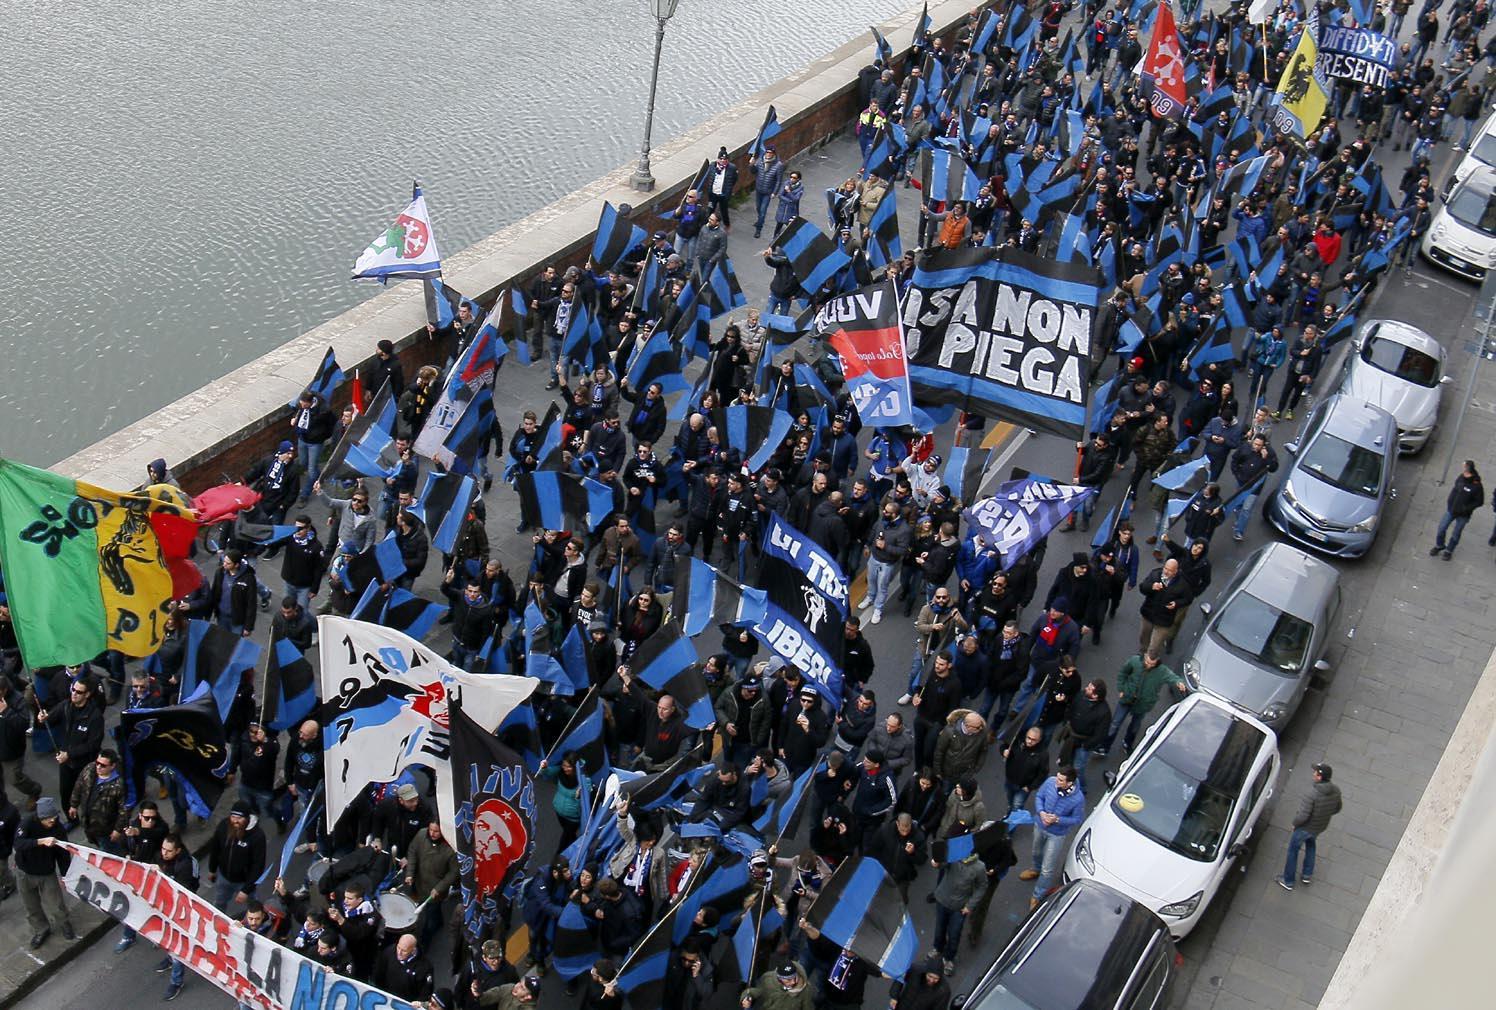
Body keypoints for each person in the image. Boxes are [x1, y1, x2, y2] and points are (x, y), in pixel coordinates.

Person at [1018, 766, 1085, 908]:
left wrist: (1057, 820)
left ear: (1070, 783)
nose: (1056, 781)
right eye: (1057, 777)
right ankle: (1035, 870)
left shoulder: (1078, 799)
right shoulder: (1050, 782)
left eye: (1060, 780)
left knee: (1048, 868)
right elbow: (1039, 797)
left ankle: (1038, 895)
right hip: (1040, 825)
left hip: (1057, 834)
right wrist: (1041, 812)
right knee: (1036, 852)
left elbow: (1077, 819)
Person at [1101, 651, 1187, 756]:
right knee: (1115, 723)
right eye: (1147, 662)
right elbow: (1123, 673)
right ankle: (1104, 746)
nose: (1149, 665)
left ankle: (1127, 743)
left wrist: (1179, 682)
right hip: (1127, 697)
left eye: (1152, 664)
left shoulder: (1162, 671)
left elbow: (1172, 677)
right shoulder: (1135, 661)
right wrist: (1121, 689)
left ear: (1157, 661)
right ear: (1145, 656)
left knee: (1135, 726)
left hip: (1143, 704)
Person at [14, 797, 73, 948]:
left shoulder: (58, 829)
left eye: (54, 818)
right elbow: (19, 844)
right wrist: (40, 841)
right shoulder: (27, 823)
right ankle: (41, 929)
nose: (52, 822)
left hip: (47, 872)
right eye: (48, 819)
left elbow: (63, 854)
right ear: (40, 817)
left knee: (56, 904)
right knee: (31, 906)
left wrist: (66, 875)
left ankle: (64, 923)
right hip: (25, 872)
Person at [930, 829, 986, 975]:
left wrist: (970, 906)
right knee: (939, 928)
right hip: (943, 899)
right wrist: (936, 864)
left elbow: (982, 887)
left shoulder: (979, 867)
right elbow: (942, 864)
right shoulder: (953, 857)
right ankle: (937, 948)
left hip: (960, 907)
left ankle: (949, 958)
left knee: (954, 934)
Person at [1280, 763, 1343, 891]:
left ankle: (1288, 881)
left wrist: (1294, 824)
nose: (1313, 774)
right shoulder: (1336, 790)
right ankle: (1306, 875)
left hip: (1305, 828)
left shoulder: (1312, 794)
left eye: (1315, 772)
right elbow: (1337, 808)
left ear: (1320, 777)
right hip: (1320, 826)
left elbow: (1303, 816)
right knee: (1311, 844)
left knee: (1293, 850)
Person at [1433, 460, 1484, 560]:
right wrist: (1450, 501)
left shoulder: (1476, 486)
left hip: (1463, 514)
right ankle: (1440, 545)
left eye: (1463, 467)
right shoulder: (1461, 477)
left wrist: (1466, 508)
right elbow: (1455, 487)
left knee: (1456, 532)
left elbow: (1479, 501)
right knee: (1441, 528)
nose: (1462, 469)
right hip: (1451, 509)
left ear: (1468, 470)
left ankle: (1449, 550)